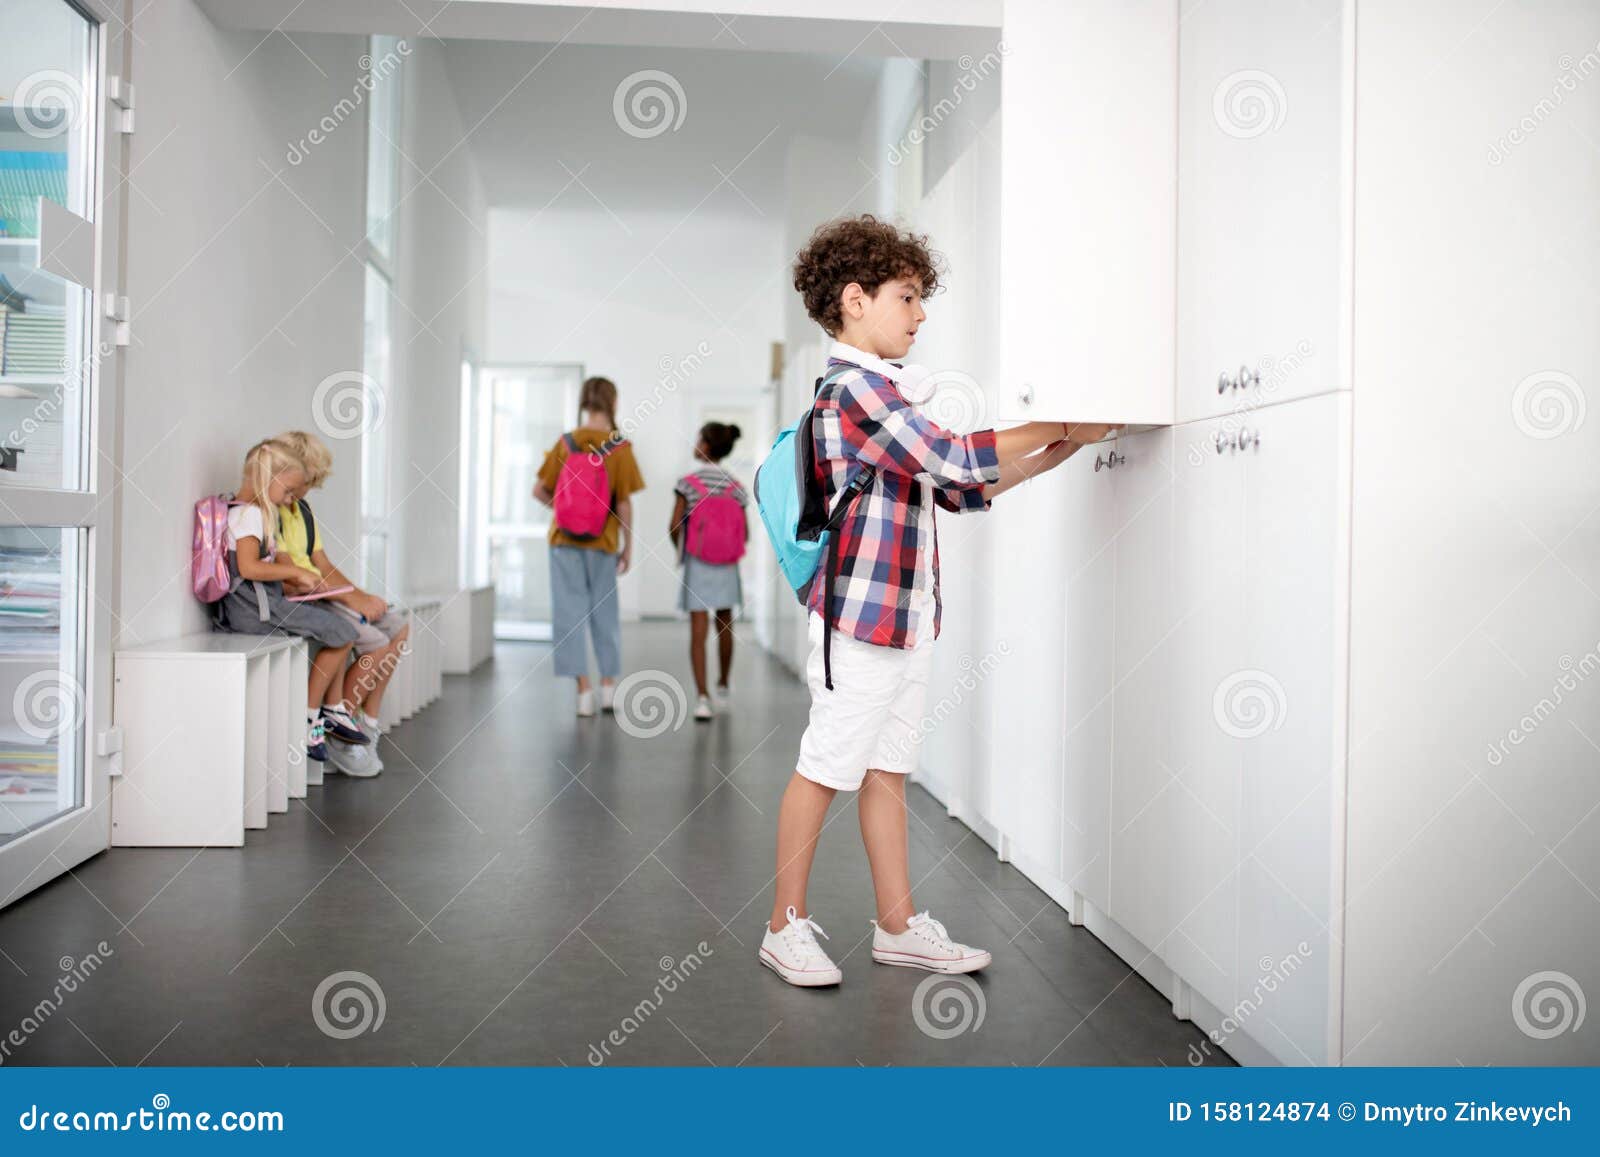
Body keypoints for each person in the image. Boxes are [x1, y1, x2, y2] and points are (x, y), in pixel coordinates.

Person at [759, 215, 1116, 987]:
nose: (921, 314)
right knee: (825, 767)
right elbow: (948, 454)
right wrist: (1053, 422)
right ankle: (782, 927)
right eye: (908, 295)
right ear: (855, 300)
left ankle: (897, 927)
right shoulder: (853, 391)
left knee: (887, 770)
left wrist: (1059, 449)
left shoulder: (886, 392)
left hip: (904, 619)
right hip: (859, 622)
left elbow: (955, 486)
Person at [210, 439, 370, 765]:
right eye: (288, 492)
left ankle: (328, 709)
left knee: (336, 629)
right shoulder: (249, 515)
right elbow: (249, 568)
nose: (289, 501)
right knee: (343, 632)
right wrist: (296, 571)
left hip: (256, 607)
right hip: (257, 613)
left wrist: (296, 580)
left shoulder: (244, 512)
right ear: (269, 478)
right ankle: (311, 716)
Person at [274, 429, 411, 778]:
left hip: (323, 592)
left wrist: (361, 596)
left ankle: (367, 722)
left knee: (398, 626)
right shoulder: (273, 512)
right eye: (304, 483)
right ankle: (340, 732)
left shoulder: (302, 510)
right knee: (374, 643)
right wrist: (351, 599)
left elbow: (323, 564)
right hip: (302, 597)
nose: (306, 491)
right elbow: (292, 575)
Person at [531, 376, 646, 717]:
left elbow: (539, 490)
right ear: (613, 402)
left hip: (563, 542)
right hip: (603, 543)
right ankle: (608, 688)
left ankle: (583, 692)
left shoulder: (566, 442)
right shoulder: (620, 447)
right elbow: (623, 503)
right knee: (604, 615)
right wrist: (628, 547)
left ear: (584, 402)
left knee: (568, 615)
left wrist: (566, 511)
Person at [668, 422, 748, 721]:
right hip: (727, 563)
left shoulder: (687, 483)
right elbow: (745, 533)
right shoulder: (736, 487)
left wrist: (684, 549)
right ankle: (723, 683)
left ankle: (703, 698)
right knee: (725, 624)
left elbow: (674, 525)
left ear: (705, 445)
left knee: (698, 631)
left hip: (698, 562)